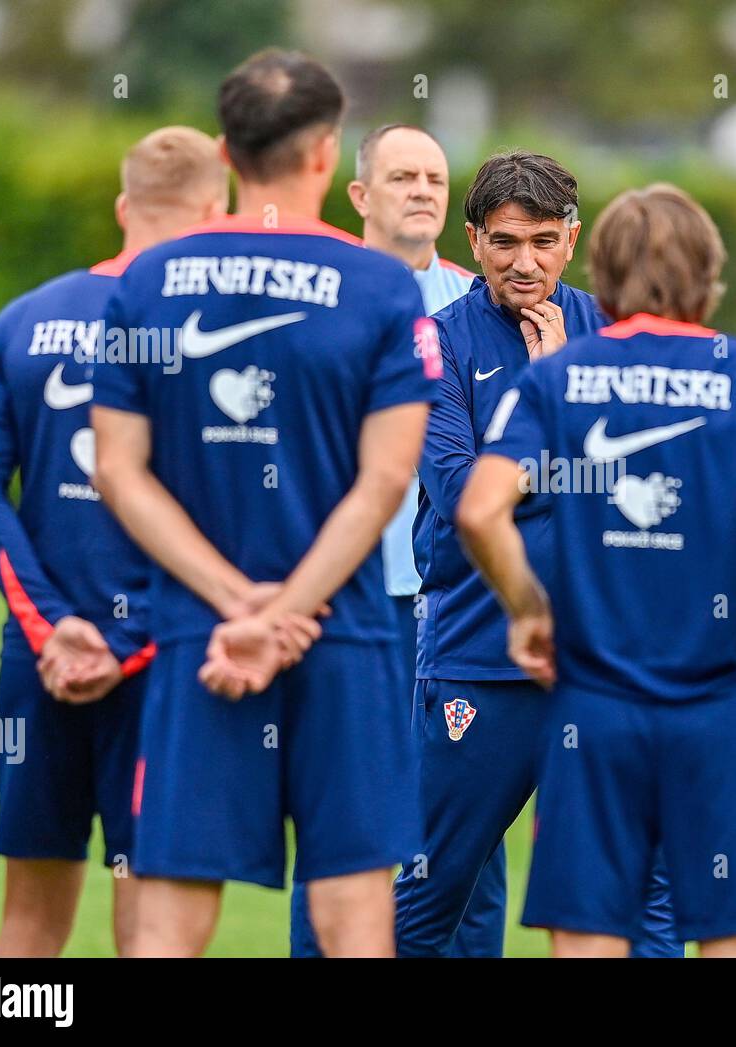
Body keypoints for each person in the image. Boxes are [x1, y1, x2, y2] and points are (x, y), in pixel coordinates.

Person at [90, 49, 437, 957]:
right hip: (347, 635)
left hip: (195, 635)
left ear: (223, 150)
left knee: (169, 915)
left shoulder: (144, 282)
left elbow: (119, 474)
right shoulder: (382, 287)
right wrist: (283, 607)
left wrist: (235, 604)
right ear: (327, 155)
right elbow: (387, 482)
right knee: (354, 916)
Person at [457, 183, 736, 956]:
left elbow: (476, 510)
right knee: (734, 929)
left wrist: (528, 611)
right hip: (720, 703)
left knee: (593, 929)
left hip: (593, 707)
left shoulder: (554, 378)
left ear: (595, 265)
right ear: (710, 273)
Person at [0, 126, 227, 956]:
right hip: (165, 661)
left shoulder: (19, 322)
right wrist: (129, 637)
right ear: (214, 212)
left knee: (26, 926)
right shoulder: (209, 336)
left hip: (40, 663)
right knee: (150, 923)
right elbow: (234, 511)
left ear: (121, 205)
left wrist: (52, 629)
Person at [398, 150, 679, 957]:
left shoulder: (617, 327)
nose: (526, 262)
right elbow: (458, 496)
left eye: (545, 241)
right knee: (431, 889)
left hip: (612, 661)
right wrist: (556, 400)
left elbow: (649, 488)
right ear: (475, 237)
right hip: (485, 658)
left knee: (646, 892)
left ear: (574, 239)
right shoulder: (435, 343)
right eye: (506, 241)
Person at [288, 122, 503, 958]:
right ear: (359, 195)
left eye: (436, 179)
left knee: (470, 836)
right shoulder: (315, 294)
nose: (422, 190)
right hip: (350, 595)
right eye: (403, 175)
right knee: (341, 821)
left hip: (453, 598)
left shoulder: (480, 303)